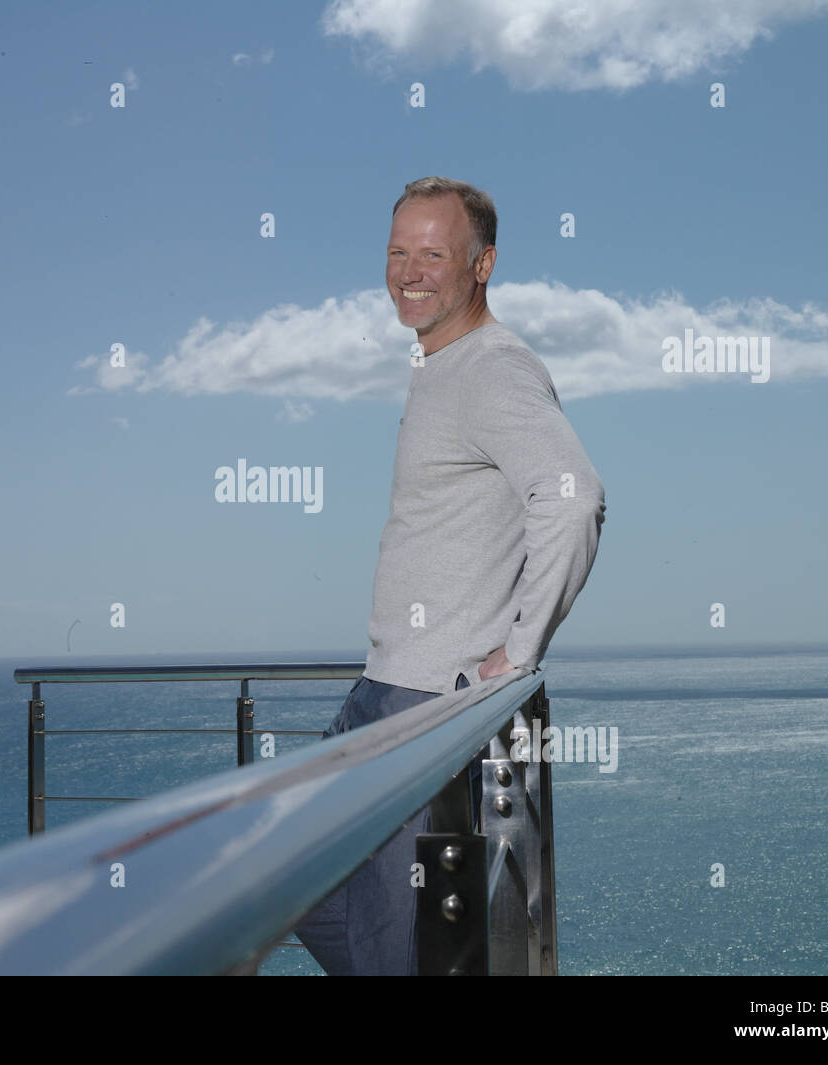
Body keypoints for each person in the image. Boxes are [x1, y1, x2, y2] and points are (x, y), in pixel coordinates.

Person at [293, 176, 606, 975]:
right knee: (287, 862)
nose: (410, 270)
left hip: (428, 703)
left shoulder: (493, 367)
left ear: (482, 265)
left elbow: (573, 499)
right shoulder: (441, 362)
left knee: (392, 946)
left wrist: (522, 646)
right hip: (385, 688)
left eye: (434, 253)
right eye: (398, 252)